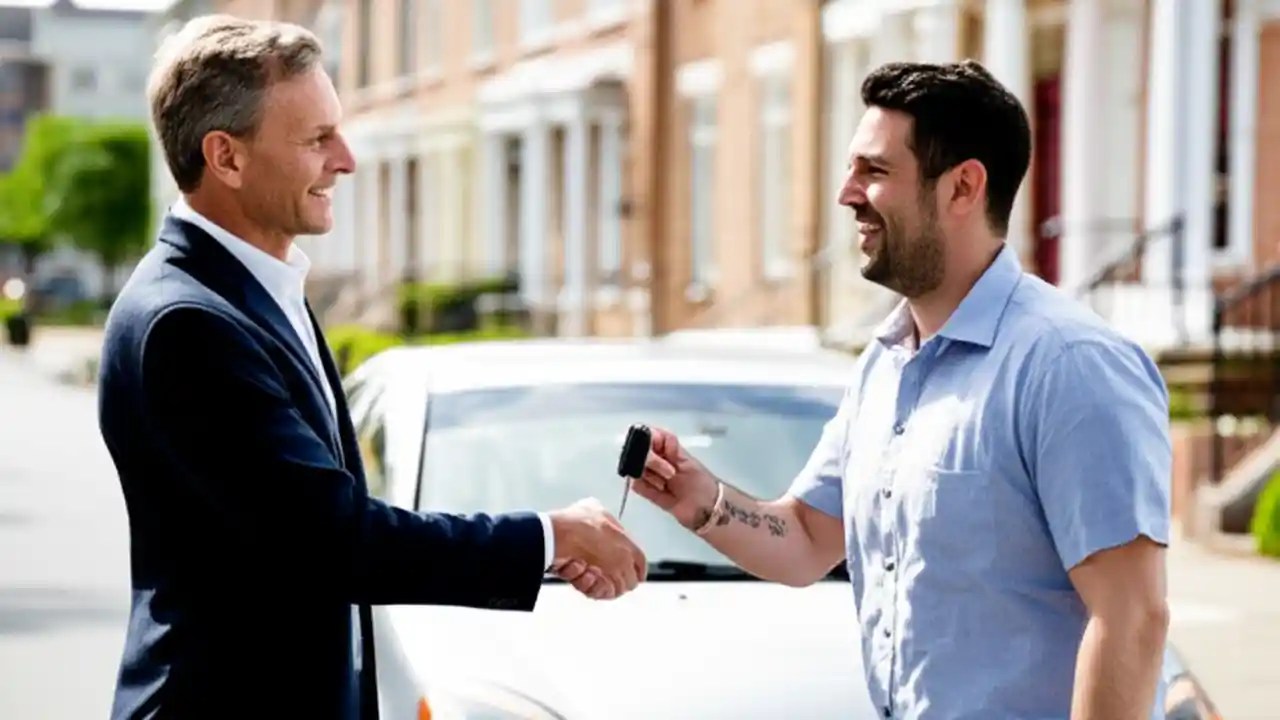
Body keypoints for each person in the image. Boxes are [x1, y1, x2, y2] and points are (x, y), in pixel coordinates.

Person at [98, 16, 642, 720]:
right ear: (226, 157)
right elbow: (332, 540)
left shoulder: (253, 286)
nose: (346, 159)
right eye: (316, 139)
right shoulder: (188, 323)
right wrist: (548, 536)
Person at [633, 60, 1171, 720]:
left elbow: (1131, 618)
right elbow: (806, 540)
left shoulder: (1069, 366)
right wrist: (701, 498)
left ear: (962, 187)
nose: (847, 194)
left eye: (875, 171)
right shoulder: (884, 364)